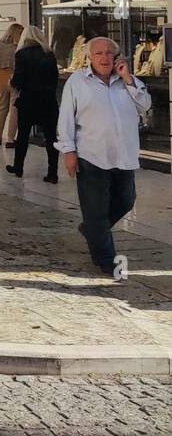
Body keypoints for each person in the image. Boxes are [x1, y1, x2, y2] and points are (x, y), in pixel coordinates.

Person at [57, 36, 152, 277]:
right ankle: (106, 260)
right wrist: (68, 151)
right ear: (90, 57)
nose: (104, 58)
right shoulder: (77, 82)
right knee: (96, 210)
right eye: (99, 53)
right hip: (91, 154)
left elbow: (146, 105)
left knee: (126, 200)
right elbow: (66, 117)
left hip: (123, 154)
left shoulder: (127, 82)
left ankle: (92, 230)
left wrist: (128, 78)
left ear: (117, 57)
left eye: (109, 53)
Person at [6, 25, 60, 183]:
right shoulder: (49, 54)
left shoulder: (22, 54)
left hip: (28, 100)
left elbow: (19, 79)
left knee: (23, 135)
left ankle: (18, 167)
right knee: (51, 138)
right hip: (48, 100)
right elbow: (55, 78)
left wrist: (12, 83)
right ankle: (52, 173)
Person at [0, 23, 24, 144]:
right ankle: (10, 139)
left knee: (2, 108)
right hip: (14, 79)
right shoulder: (17, 49)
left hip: (0, 80)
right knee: (14, 109)